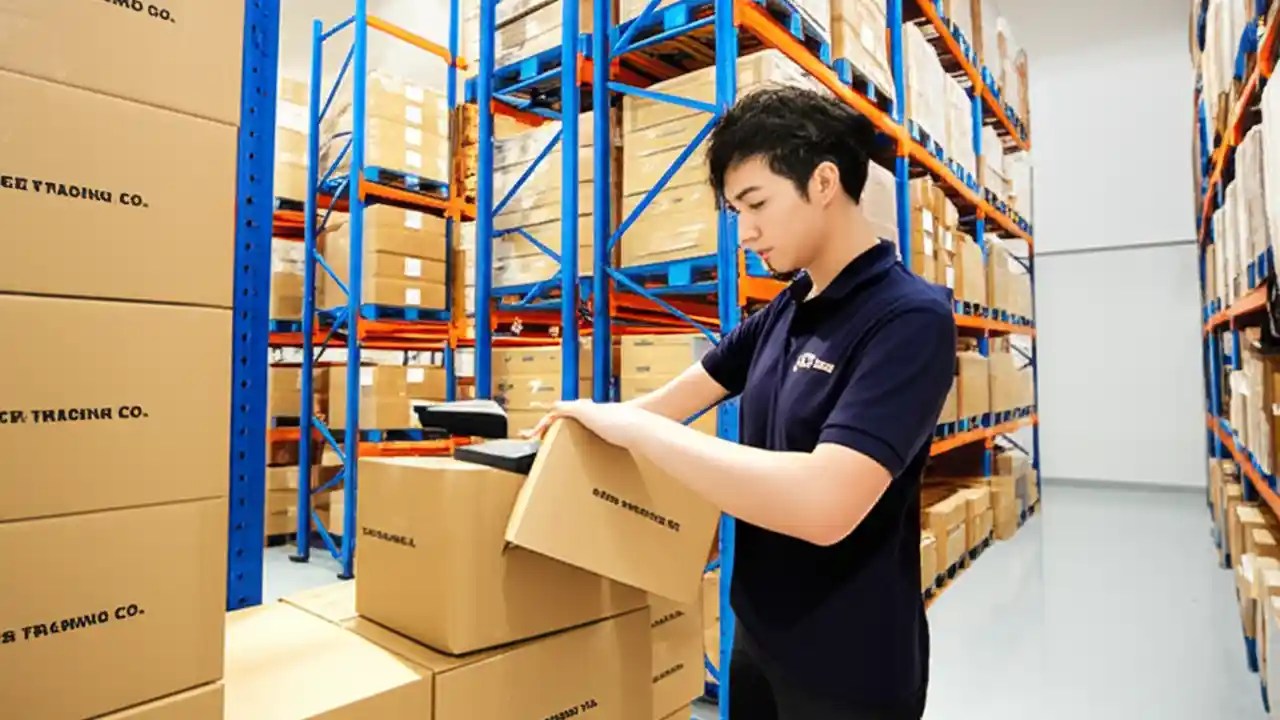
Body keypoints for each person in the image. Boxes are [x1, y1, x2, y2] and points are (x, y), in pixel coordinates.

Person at [531, 85, 956, 719]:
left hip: (852, 663)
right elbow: (671, 404)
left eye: (756, 204)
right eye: (735, 212)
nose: (746, 231)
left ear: (823, 182)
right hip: (757, 639)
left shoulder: (909, 319)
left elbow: (826, 503)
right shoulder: (781, 314)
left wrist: (634, 433)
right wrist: (572, 432)